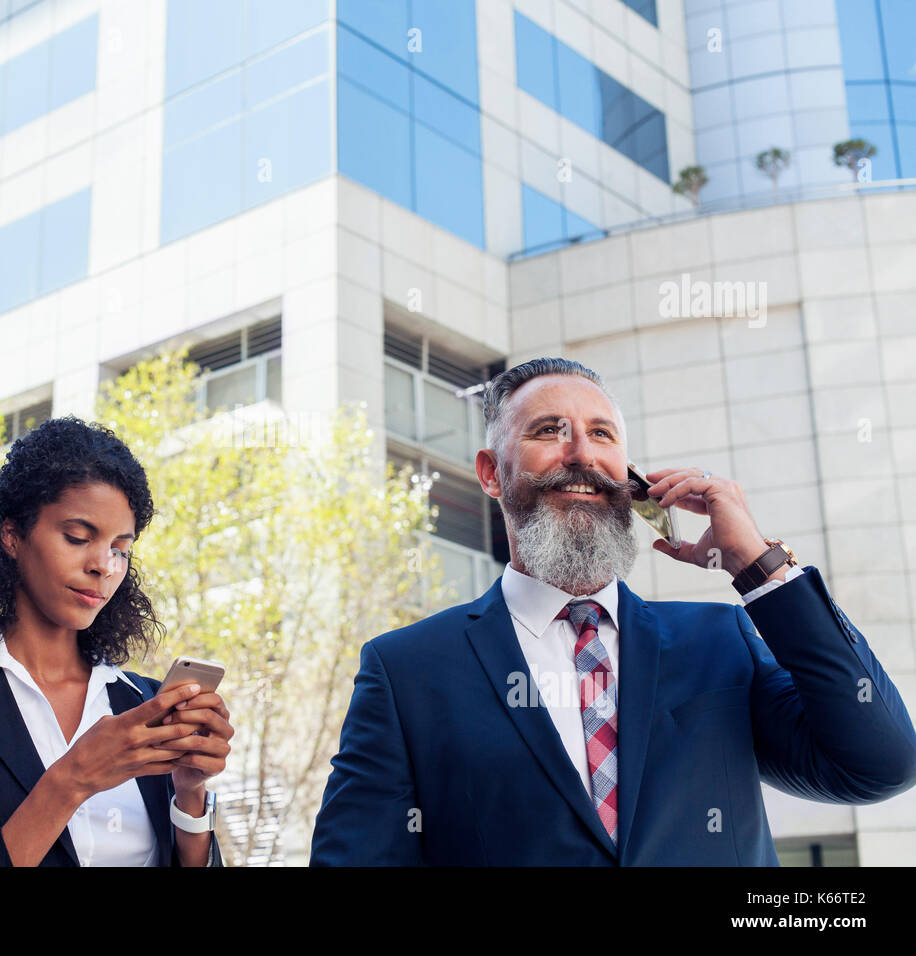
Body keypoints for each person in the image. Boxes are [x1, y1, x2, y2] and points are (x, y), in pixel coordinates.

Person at [310, 356, 916, 865]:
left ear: (628, 474)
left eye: (602, 434)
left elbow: (882, 763)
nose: (581, 453)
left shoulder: (719, 641)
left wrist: (758, 567)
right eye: (549, 430)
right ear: (492, 473)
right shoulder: (405, 672)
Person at [0, 415, 232, 866]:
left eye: (121, 548)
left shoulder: (146, 704)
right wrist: (71, 781)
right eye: (78, 537)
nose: (105, 565)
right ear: (12, 535)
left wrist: (189, 793)